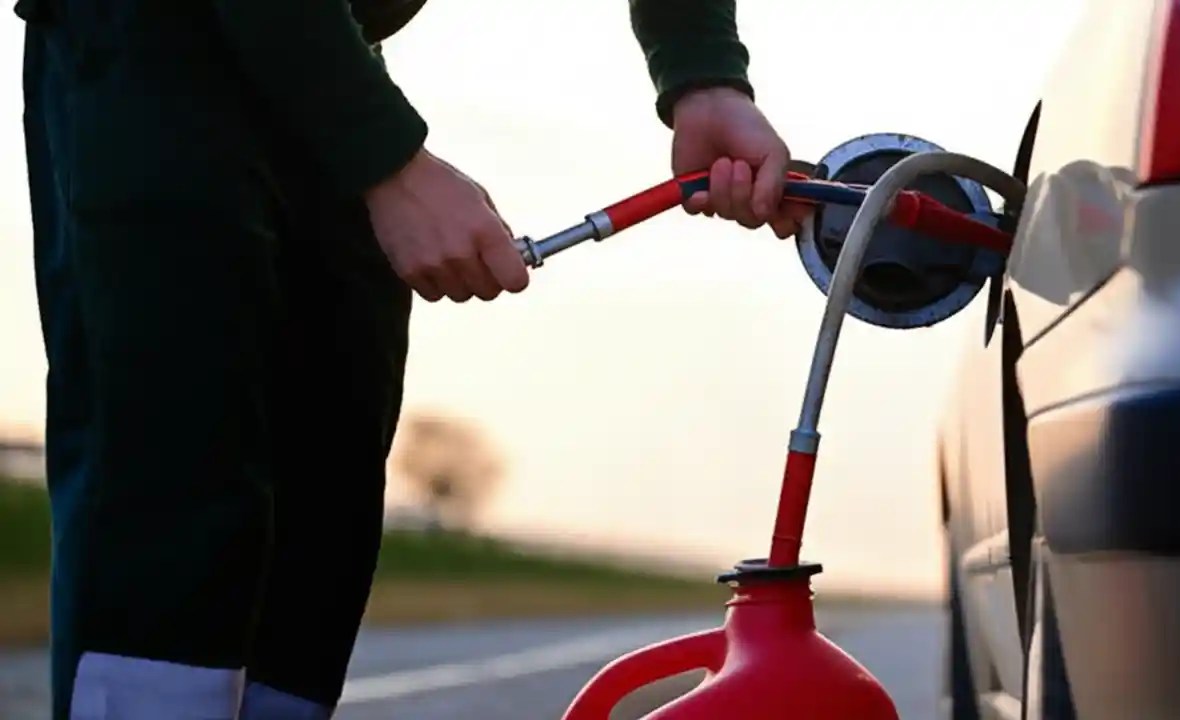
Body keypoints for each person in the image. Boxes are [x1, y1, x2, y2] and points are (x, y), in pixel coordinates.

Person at [17, 0, 804, 717]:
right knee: (179, 513)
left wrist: (703, 76)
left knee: (322, 525)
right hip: (149, 47)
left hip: (330, 47)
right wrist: (386, 160)